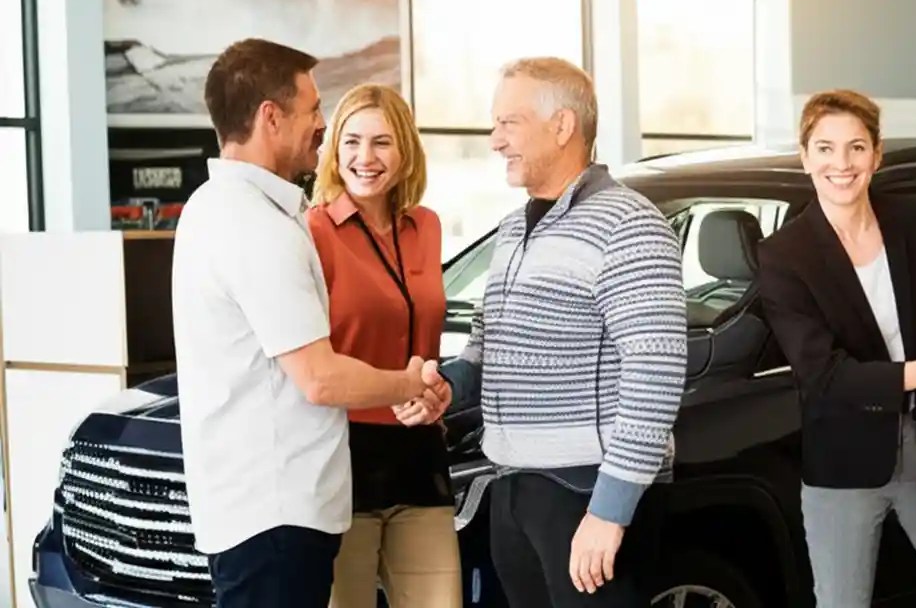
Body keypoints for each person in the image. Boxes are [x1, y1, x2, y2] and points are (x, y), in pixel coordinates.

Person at [171, 39, 450, 608]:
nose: (320, 126)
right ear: (271, 117)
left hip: (274, 502)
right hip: (278, 506)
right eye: (314, 111)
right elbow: (320, 378)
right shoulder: (261, 227)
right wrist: (412, 382)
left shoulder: (216, 207)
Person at [438, 57, 686, 608]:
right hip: (513, 485)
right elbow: (488, 346)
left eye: (509, 123)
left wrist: (609, 510)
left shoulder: (629, 224)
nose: (495, 140)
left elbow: (657, 373)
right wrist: (447, 387)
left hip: (586, 491)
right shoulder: (512, 229)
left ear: (562, 125)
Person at [754, 89, 916, 608]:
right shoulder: (783, 256)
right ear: (805, 158)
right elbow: (829, 379)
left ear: (877, 154)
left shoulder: (914, 224)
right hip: (842, 467)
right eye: (824, 149)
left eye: (855, 147)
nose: (841, 164)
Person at [306, 84, 462, 608]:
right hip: (341, 456)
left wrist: (439, 390)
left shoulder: (427, 226)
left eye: (381, 142)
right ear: (334, 150)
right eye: (351, 142)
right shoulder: (312, 232)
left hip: (420, 456)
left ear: (406, 151)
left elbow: (425, 339)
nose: (364, 158)